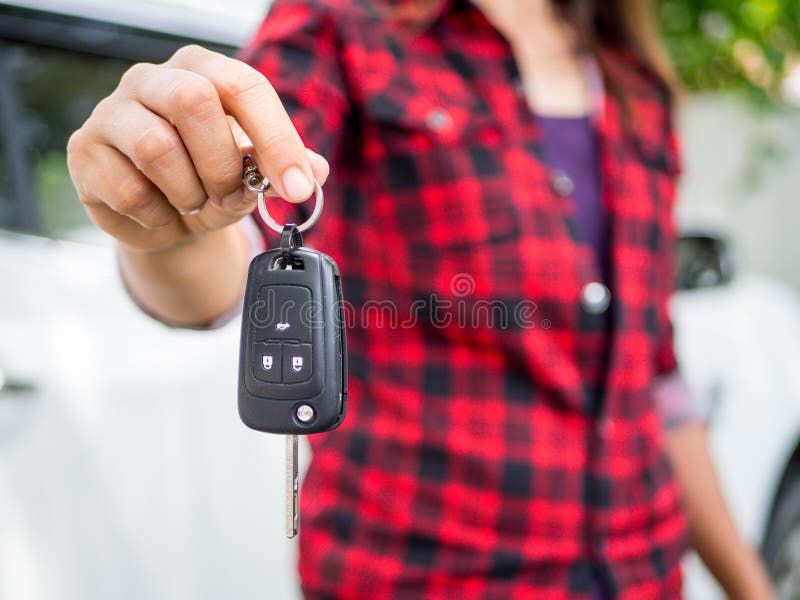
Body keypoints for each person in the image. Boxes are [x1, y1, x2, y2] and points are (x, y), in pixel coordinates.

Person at [66, 0, 774, 597]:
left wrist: (750, 587)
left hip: (642, 570)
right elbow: (237, 243)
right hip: (426, 573)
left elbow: (655, 379)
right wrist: (169, 229)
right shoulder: (341, 24)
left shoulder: (632, 75)